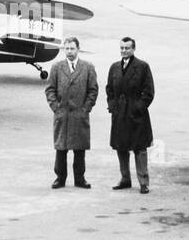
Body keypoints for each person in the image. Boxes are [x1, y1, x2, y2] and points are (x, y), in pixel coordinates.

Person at [45, 36, 98, 189]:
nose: (69, 51)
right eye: (66, 48)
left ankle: (80, 179)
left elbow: (93, 90)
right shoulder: (57, 67)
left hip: (79, 115)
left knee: (79, 149)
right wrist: (56, 107)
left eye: (72, 48)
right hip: (62, 114)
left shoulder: (87, 67)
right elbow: (50, 90)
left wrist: (86, 108)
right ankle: (60, 178)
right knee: (61, 149)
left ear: (78, 49)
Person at [106, 37, 155, 193]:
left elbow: (149, 92)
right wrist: (113, 106)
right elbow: (109, 89)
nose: (124, 51)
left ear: (133, 49)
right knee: (121, 147)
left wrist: (138, 107)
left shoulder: (142, 67)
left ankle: (143, 182)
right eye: (121, 48)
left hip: (136, 114)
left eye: (127, 48)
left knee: (139, 148)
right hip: (119, 113)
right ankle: (125, 179)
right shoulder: (114, 67)